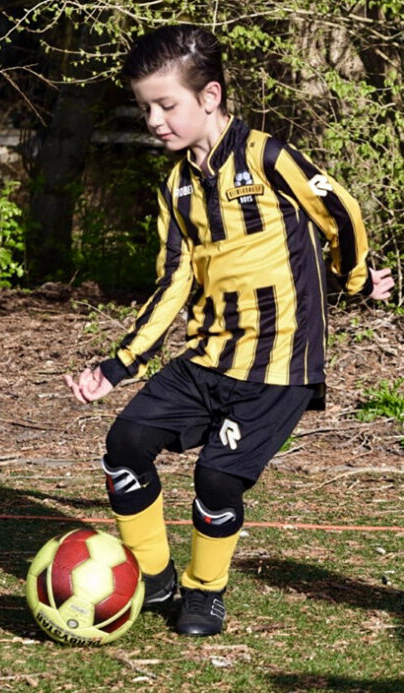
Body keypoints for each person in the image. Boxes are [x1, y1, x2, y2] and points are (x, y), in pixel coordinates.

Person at [64, 24, 394, 637]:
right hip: (208, 357)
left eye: (168, 105)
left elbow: (340, 211)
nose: (156, 120)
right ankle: (156, 577)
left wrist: (352, 281)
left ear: (209, 97)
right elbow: (173, 283)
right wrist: (119, 364)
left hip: (278, 368)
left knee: (217, 476)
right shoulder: (176, 188)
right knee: (125, 445)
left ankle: (205, 590)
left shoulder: (267, 156)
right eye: (146, 108)